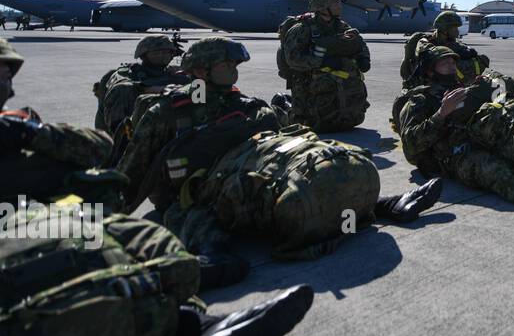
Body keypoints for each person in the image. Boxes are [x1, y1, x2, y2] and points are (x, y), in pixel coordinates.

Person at [116, 37, 441, 256]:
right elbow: (130, 174)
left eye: (235, 64)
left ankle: (378, 205)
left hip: (254, 172)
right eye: (226, 65)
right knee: (212, 241)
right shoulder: (166, 113)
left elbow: (288, 146)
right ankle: (210, 269)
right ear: (200, 71)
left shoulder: (245, 104)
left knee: (314, 164)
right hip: (194, 197)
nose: (234, 70)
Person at [0, 203, 315, 336]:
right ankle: (194, 318)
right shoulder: (40, 213)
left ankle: (188, 316)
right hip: (146, 314)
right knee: (96, 230)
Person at [396, 45, 514, 221]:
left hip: (486, 134)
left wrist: (490, 86)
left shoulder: (463, 87)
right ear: (430, 70)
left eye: (453, 62)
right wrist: (441, 114)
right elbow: (411, 146)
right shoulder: (419, 100)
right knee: (492, 168)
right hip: (455, 154)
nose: (451, 66)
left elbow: (507, 91)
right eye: (445, 63)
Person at [0, 37, 125, 208]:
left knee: (95, 187)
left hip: (22, 219)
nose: (4, 83)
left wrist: (29, 131)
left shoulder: (16, 123)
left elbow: (101, 148)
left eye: (5, 76)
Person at [278, 0, 370, 131]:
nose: (340, 6)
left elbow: (358, 42)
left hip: (338, 86)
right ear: (322, 7)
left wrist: (363, 58)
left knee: (350, 119)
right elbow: (292, 59)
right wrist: (322, 62)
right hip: (309, 86)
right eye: (335, 3)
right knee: (306, 123)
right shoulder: (301, 29)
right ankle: (281, 106)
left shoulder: (341, 26)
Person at [92, 34, 188, 134]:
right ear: (143, 55)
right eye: (156, 53)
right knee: (123, 91)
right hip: (131, 130)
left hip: (167, 127)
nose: (161, 56)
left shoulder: (174, 72)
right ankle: (121, 139)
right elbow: (121, 85)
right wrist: (147, 89)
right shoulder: (127, 72)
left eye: (166, 52)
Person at [400, 10, 489, 86]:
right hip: (426, 83)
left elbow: (463, 49)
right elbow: (431, 53)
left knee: (481, 59)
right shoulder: (424, 41)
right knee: (445, 62)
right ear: (445, 29)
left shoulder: (452, 42)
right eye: (454, 29)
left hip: (445, 81)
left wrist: (468, 51)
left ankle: (467, 83)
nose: (457, 31)